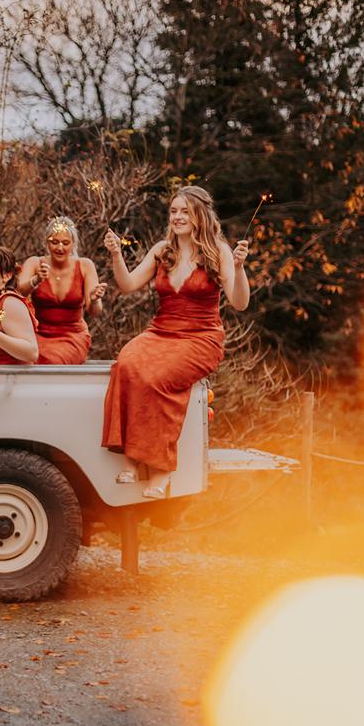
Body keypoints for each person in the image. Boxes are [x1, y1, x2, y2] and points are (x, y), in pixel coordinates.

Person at [102, 185, 249, 498]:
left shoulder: (218, 251)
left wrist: (238, 268)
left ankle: (161, 470)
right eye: (174, 211)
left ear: (199, 216)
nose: (178, 217)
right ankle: (131, 461)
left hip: (201, 336)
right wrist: (116, 255)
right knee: (125, 365)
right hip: (161, 331)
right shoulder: (161, 250)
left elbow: (239, 302)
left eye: (185, 211)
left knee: (156, 378)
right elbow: (127, 284)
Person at [16, 216, 108, 364]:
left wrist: (95, 299)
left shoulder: (85, 266)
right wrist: (36, 280)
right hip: (37, 335)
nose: (60, 248)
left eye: (65, 243)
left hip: (72, 336)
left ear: (73, 244)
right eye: (54, 242)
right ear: (46, 242)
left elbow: (95, 311)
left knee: (53, 360)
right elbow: (18, 293)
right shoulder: (34, 263)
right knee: (24, 358)